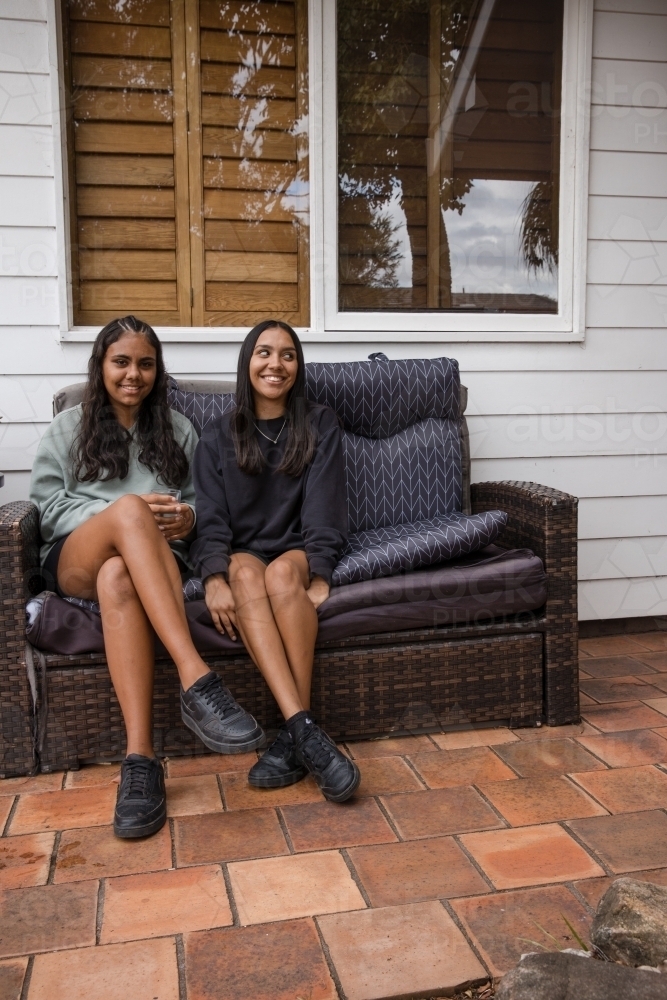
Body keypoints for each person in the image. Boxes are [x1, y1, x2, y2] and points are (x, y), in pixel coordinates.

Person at [29, 316, 264, 839]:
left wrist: (188, 518)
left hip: (150, 563)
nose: (133, 374)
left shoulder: (178, 429)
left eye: (145, 364)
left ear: (157, 371)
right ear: (100, 366)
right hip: (75, 557)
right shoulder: (68, 427)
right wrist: (119, 513)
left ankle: (140, 761)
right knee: (129, 515)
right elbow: (45, 510)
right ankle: (195, 677)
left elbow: (205, 504)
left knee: (119, 576)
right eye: (121, 362)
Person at [191, 319, 360, 802]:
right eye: (264, 352)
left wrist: (321, 572)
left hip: (295, 547)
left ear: (297, 367)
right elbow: (210, 517)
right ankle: (303, 731)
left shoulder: (319, 422)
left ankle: (294, 733)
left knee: (283, 574)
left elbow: (324, 506)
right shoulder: (217, 433)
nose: (276, 364)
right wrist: (214, 577)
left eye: (288, 355)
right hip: (243, 551)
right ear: (247, 361)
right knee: (246, 574)